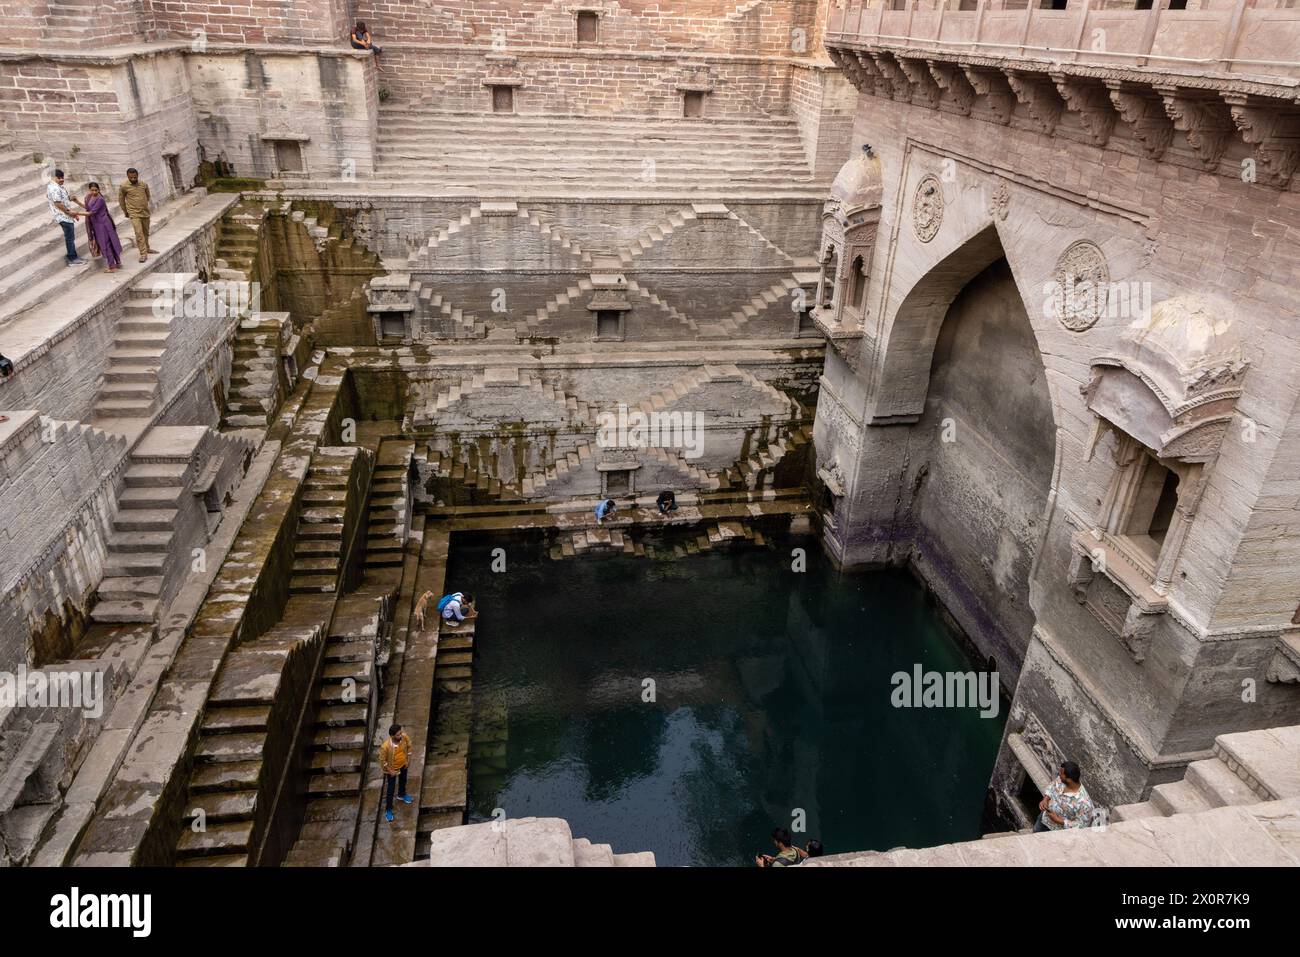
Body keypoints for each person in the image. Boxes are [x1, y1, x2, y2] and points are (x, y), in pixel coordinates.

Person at [1035, 760, 1096, 832]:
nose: (1059, 774)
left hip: (1058, 831)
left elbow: (1082, 825)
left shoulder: (1085, 803)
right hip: (1044, 819)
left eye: (1061, 773)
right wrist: (1045, 799)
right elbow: (1052, 787)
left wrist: (1060, 821)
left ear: (1069, 779)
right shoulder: (1061, 779)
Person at [48, 169, 88, 267]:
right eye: (59, 178)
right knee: (70, 238)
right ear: (54, 178)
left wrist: (70, 198)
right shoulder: (54, 188)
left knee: (70, 237)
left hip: (65, 215)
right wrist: (69, 212)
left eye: (62, 177)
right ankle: (72, 258)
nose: (62, 179)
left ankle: (73, 256)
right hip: (63, 216)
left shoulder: (55, 186)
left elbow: (59, 198)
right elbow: (57, 203)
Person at [118, 168, 156, 263]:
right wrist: (126, 211)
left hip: (145, 212)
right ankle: (143, 254)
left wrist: (142, 204)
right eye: (131, 177)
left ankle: (147, 248)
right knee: (139, 233)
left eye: (135, 177)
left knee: (146, 232)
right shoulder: (123, 186)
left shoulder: (143, 184)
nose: (133, 179)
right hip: (134, 213)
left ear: (138, 176)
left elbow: (147, 196)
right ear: (128, 176)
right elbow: (121, 200)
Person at [83, 182, 123, 272]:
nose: (94, 192)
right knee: (107, 243)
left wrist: (76, 213)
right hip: (96, 225)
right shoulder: (89, 197)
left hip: (103, 224)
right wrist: (76, 201)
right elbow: (87, 208)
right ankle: (115, 263)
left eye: (96, 190)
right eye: (92, 190)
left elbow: (91, 212)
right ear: (89, 190)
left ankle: (112, 266)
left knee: (106, 244)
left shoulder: (100, 199)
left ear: (99, 190)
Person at [380, 723, 414, 823]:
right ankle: (388, 809)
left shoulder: (404, 737)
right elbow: (382, 760)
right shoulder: (385, 747)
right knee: (390, 789)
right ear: (392, 736)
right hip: (392, 769)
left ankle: (401, 795)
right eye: (398, 735)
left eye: (401, 733)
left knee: (403, 780)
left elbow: (409, 745)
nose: (401, 735)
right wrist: (390, 770)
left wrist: (408, 759)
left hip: (403, 764)